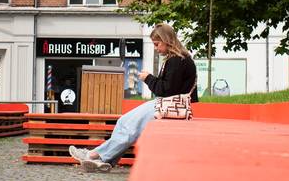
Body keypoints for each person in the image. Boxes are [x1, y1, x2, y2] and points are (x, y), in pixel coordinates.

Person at [69, 23, 197, 172]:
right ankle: (104, 159)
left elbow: (165, 90)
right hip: (168, 105)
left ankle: (95, 155)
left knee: (129, 126)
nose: (156, 48)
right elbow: (171, 87)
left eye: (157, 44)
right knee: (125, 122)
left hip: (165, 106)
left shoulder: (176, 60)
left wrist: (148, 78)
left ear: (166, 40)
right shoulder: (181, 59)